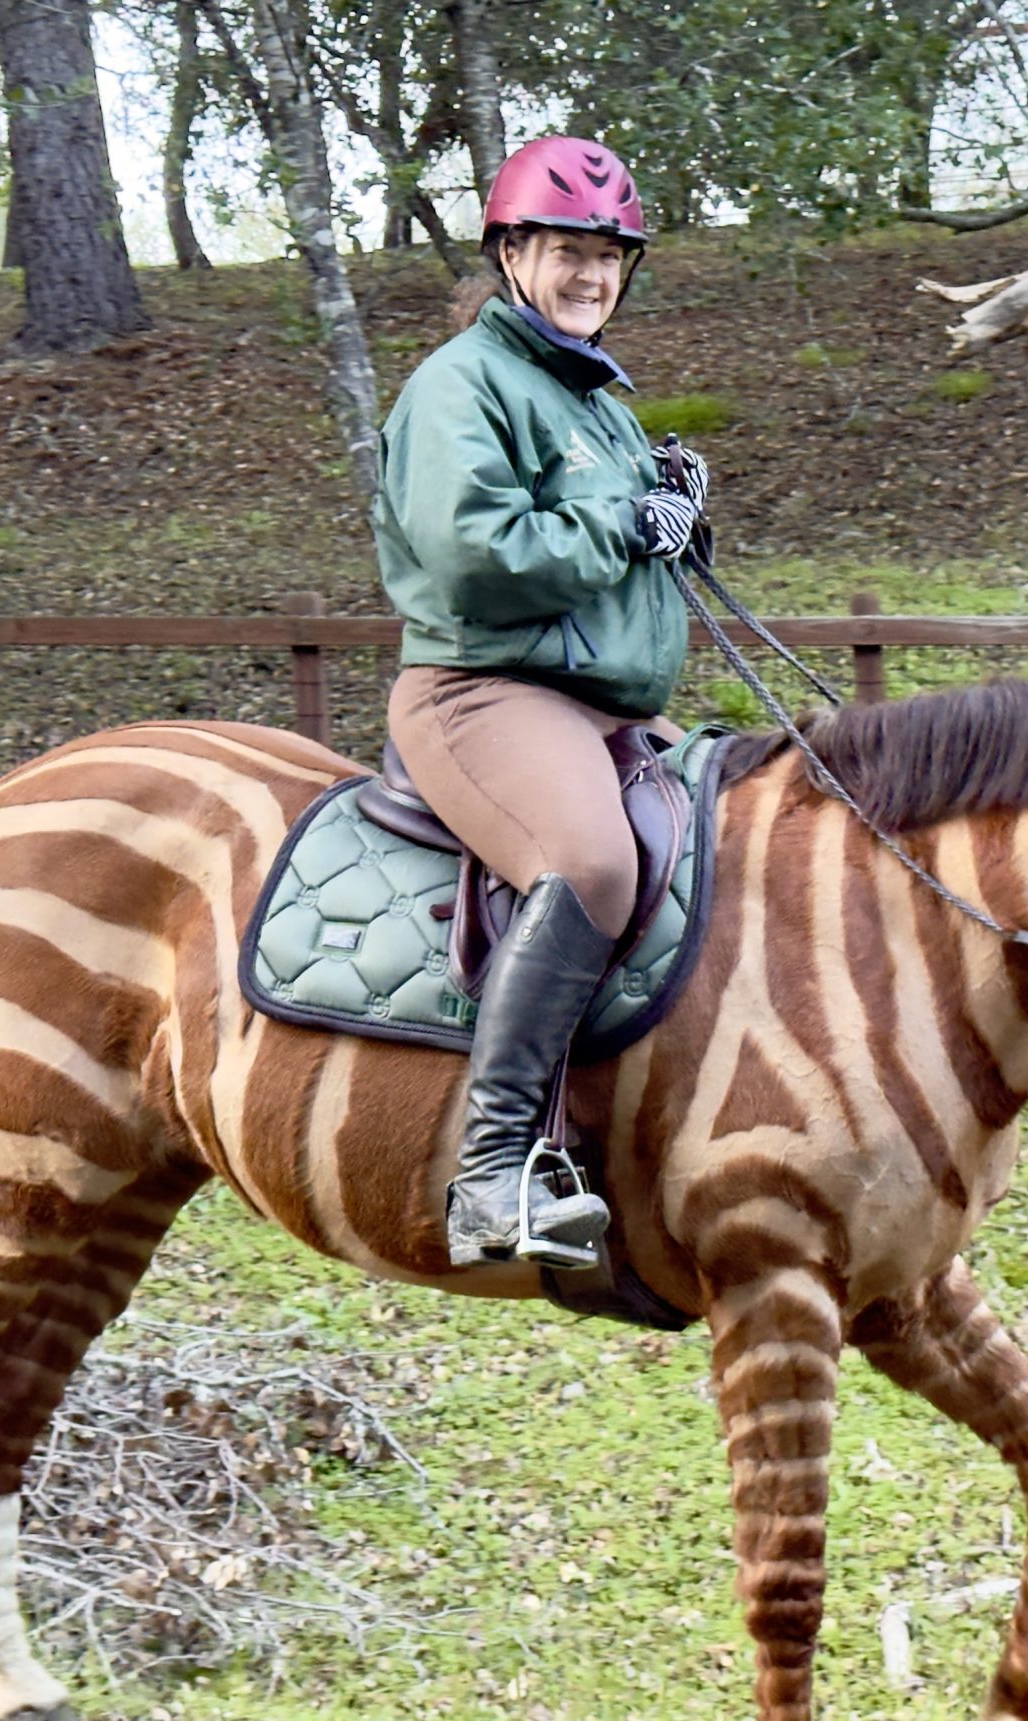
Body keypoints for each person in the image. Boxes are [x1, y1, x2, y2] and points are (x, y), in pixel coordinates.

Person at [370, 135, 709, 1273]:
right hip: (482, 689)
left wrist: (671, 517)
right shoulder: (458, 384)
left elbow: (607, 544)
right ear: (512, 252)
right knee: (596, 866)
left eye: (609, 258)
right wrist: (621, 524)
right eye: (568, 252)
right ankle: (494, 1169)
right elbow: (473, 556)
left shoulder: (593, 395)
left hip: (593, 701)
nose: (590, 278)